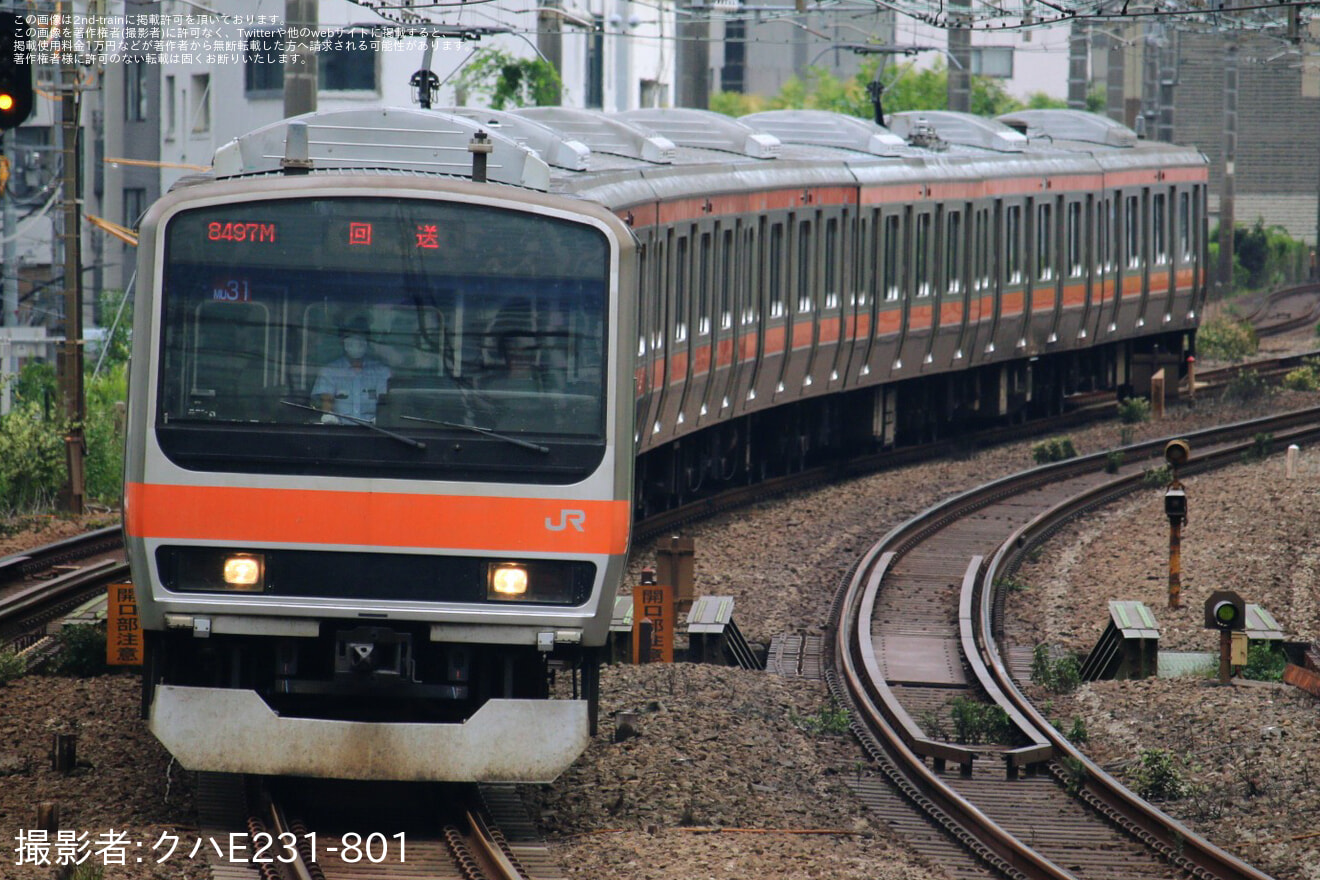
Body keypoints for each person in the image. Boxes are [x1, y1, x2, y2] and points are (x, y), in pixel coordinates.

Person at [312, 316, 391, 422]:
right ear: (342, 341)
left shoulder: (381, 371)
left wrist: (380, 420)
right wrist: (329, 416)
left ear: (367, 341)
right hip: (339, 433)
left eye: (360, 337)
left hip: (375, 433)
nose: (356, 342)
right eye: (351, 337)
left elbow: (385, 403)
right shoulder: (329, 371)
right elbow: (327, 401)